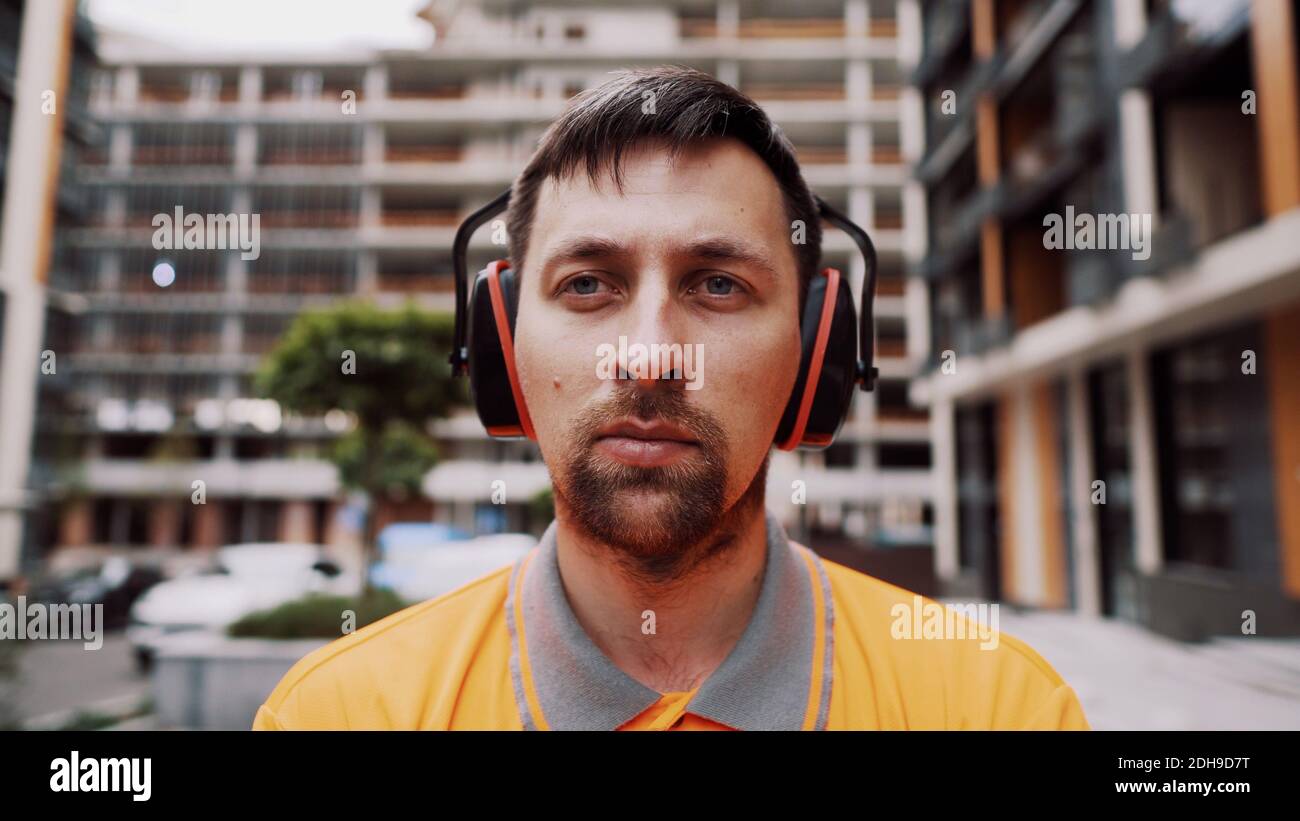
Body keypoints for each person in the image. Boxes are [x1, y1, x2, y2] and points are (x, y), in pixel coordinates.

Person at [253, 66, 1089, 731]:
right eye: (587, 284)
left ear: (816, 348)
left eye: (718, 284)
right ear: (503, 342)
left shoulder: (1001, 710)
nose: (649, 356)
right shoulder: (337, 714)